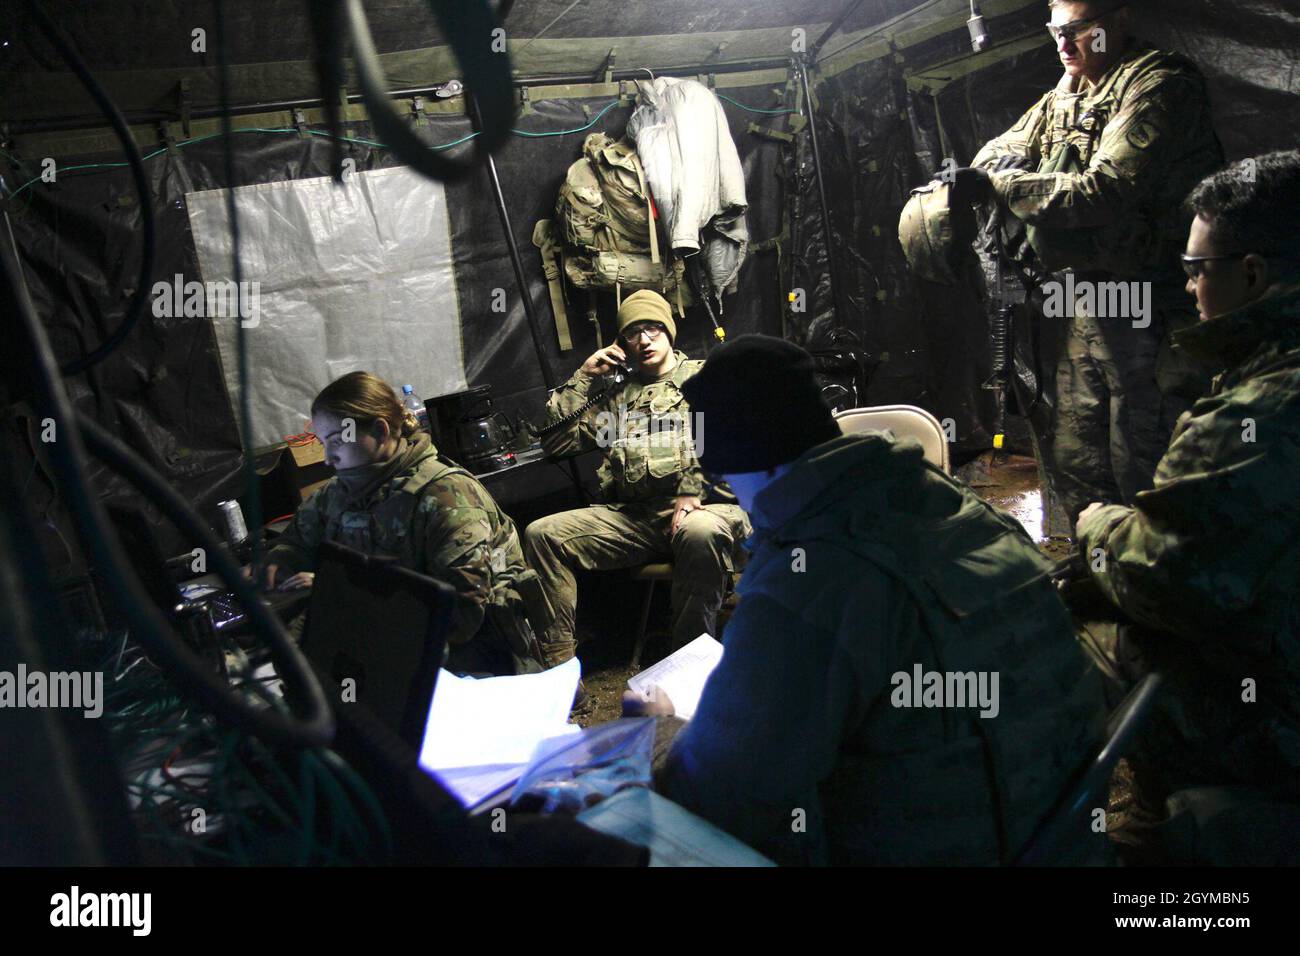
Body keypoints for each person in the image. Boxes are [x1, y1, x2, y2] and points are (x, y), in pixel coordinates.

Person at [629, 335, 1107, 866]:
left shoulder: (812, 574)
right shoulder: (953, 506)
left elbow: (718, 796)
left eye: (724, 477)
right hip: (1062, 838)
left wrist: (660, 728)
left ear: (748, 463)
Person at [1074, 151, 1300, 863]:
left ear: (1253, 274)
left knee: (1062, 627)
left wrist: (1096, 530)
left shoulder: (1260, 411)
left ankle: (1131, 829)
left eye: (1199, 269)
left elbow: (1164, 579)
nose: (1191, 285)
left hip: (1274, 716)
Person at [956, 0, 1223, 523]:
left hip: (1152, 304)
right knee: (1076, 455)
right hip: (1085, 302)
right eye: (1055, 31)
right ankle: (1093, 571)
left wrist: (1005, 183)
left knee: (1147, 459)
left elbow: (1101, 191)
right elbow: (990, 154)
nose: (1063, 44)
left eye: (1078, 30)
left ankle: (1156, 587)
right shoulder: (1066, 93)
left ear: (1118, 21)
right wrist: (1001, 174)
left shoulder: (1160, 85)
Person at [257, 371, 548, 677]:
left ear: (381, 432)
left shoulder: (446, 497)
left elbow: (459, 618)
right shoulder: (343, 490)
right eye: (322, 444)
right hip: (387, 642)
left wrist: (342, 596)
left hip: (467, 662)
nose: (328, 459)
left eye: (335, 442)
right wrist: (281, 560)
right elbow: (297, 540)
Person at [525, 290, 750, 671]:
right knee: (542, 534)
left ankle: (689, 667)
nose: (644, 340)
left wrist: (693, 486)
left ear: (668, 331)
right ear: (621, 343)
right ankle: (560, 674)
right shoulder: (618, 400)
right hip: (637, 520)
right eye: (633, 333)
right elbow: (557, 443)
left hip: (708, 512)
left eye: (652, 329)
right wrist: (583, 377)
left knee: (699, 532)